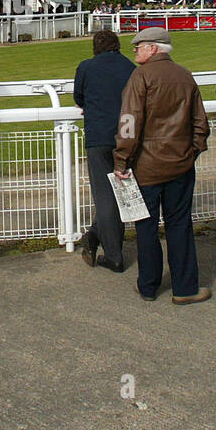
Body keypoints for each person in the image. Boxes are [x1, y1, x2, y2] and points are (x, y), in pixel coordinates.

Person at [114, 27, 211, 303]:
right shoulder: (185, 75)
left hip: (147, 168)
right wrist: (192, 152)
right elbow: (200, 123)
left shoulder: (140, 77)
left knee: (146, 228)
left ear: (154, 48)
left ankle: (148, 286)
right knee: (179, 225)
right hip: (181, 166)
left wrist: (121, 159)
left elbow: (129, 123)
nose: (135, 51)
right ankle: (185, 289)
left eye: (139, 46)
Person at [73, 30, 134, 273]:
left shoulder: (86, 67)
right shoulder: (130, 67)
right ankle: (96, 235)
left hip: (99, 138)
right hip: (127, 136)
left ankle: (113, 255)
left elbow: (79, 97)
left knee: (106, 196)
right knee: (119, 192)